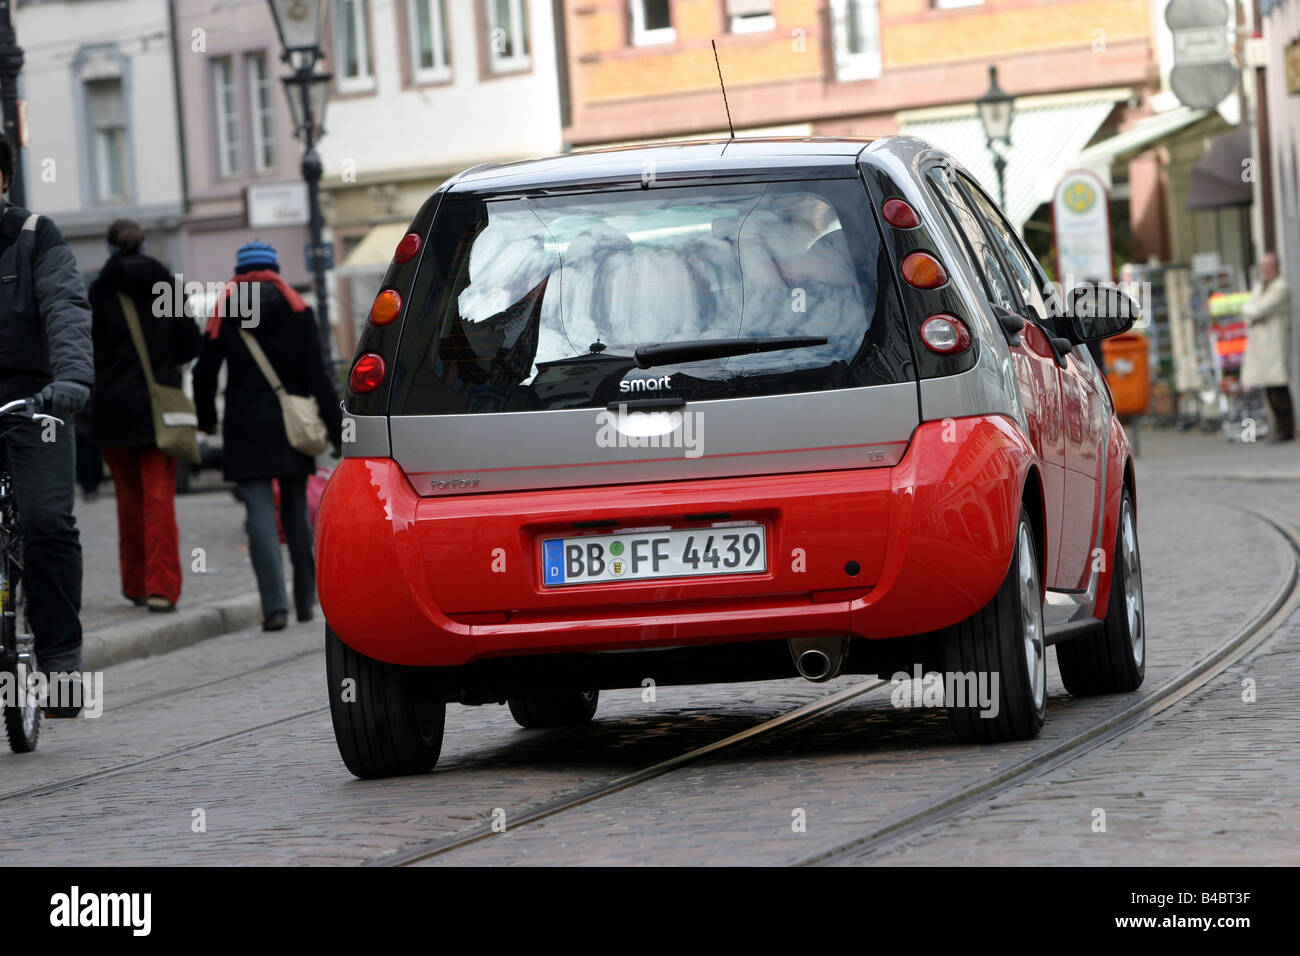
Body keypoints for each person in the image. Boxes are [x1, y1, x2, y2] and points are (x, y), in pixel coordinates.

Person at [193, 241, 341, 631]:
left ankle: (274, 607)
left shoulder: (226, 311)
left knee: (258, 512)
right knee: (295, 513)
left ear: (239, 273)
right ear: (274, 268)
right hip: (290, 424)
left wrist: (206, 421)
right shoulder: (298, 310)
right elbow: (317, 376)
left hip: (244, 424)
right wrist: (339, 430)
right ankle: (306, 602)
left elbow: (203, 373)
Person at [0, 135, 94, 716]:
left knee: (47, 521)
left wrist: (71, 383)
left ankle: (60, 664)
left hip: (35, 402)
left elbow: (66, 308)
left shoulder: (36, 237)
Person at [88, 219, 201, 613]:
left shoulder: (99, 290)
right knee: (158, 498)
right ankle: (162, 588)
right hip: (158, 410)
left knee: (127, 499)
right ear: (144, 244)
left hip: (112, 408)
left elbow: (88, 349)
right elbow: (190, 344)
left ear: (110, 247)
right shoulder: (167, 285)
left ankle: (134, 582)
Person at [1241, 252, 1294, 442]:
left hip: (1275, 345)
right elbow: (1247, 308)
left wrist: (1255, 312)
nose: (1266, 269)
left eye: (1269, 266)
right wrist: (1254, 312)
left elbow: (1259, 308)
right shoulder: (1260, 286)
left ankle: (1285, 429)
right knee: (1269, 389)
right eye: (1264, 266)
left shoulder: (1280, 287)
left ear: (1277, 267)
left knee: (1279, 388)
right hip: (1262, 347)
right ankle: (1279, 429)